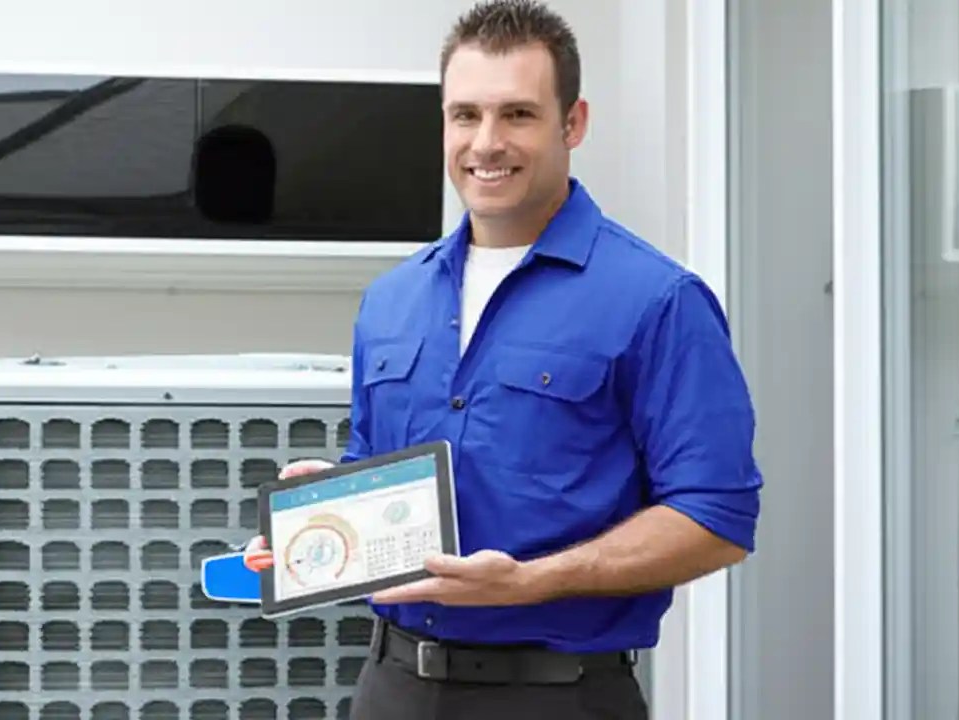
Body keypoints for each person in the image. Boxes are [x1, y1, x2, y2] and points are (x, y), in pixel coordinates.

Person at [245, 1, 763, 717]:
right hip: (390, 686)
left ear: (572, 123)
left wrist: (533, 581)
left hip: (557, 696)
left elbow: (716, 517)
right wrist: (327, 515)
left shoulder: (658, 300)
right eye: (465, 115)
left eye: (516, 114)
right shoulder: (392, 300)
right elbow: (380, 463)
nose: (486, 143)